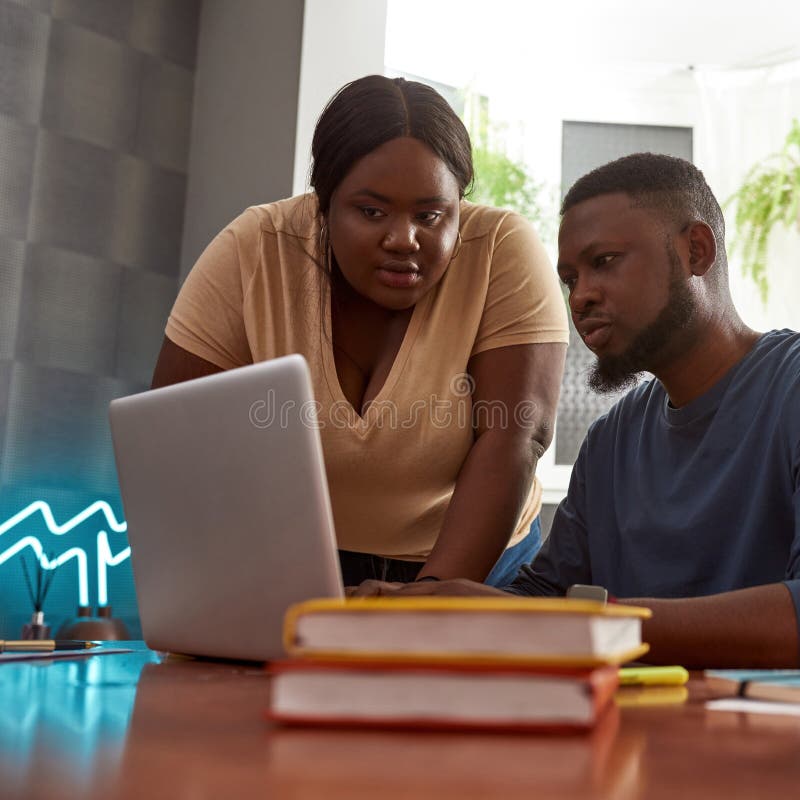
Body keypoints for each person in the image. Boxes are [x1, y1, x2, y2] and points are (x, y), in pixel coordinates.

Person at [354, 152, 800, 669]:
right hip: (625, 736)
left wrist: (572, 625)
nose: (581, 297)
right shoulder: (611, 440)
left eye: (604, 262)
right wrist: (440, 607)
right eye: (570, 279)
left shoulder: (789, 388)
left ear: (695, 251)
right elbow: (543, 603)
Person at [151, 75, 569, 588]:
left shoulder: (502, 249)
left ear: (459, 206)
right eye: (371, 212)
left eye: (430, 215)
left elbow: (516, 436)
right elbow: (179, 436)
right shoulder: (255, 247)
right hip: (296, 561)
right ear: (323, 205)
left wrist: (429, 602)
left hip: (477, 564)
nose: (403, 239)